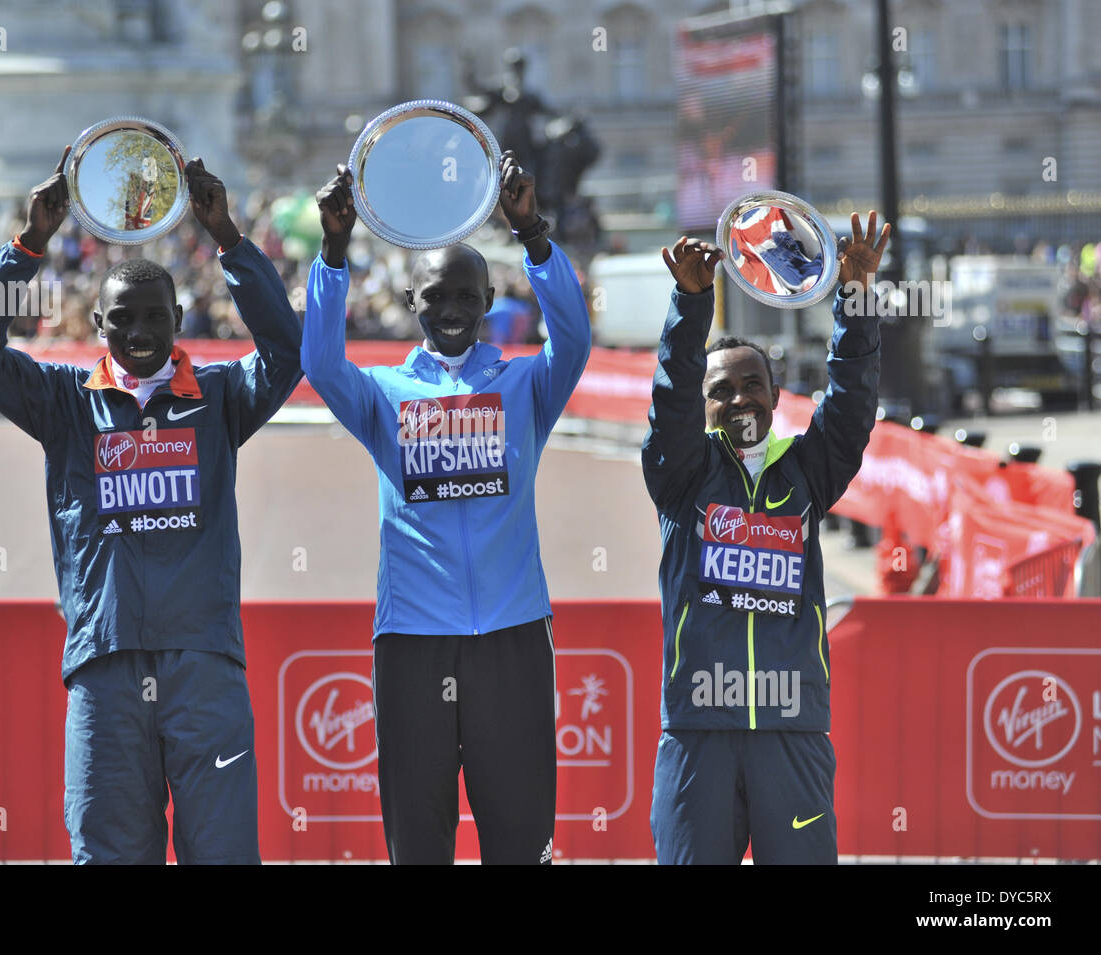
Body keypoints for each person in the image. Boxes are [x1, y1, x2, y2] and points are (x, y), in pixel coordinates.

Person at [0, 148, 303, 864]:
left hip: (203, 666)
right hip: (105, 670)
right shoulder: (64, 403)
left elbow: (287, 352)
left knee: (225, 854)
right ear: (99, 324)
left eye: (152, 317)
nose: (137, 333)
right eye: (120, 320)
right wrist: (28, 244)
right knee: (108, 854)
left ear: (177, 316)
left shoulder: (222, 398)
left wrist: (229, 236)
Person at [303, 152, 591, 864]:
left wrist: (534, 236)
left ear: (489, 300)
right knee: (418, 842)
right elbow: (319, 362)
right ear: (411, 304)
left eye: (467, 296)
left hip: (512, 638)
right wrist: (333, 253)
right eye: (436, 297)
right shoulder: (382, 395)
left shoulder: (525, 386)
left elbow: (576, 340)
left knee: (520, 839)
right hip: (413, 641)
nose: (453, 310)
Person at [642, 212, 891, 865]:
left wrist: (857, 298)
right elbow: (669, 397)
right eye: (720, 390)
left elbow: (853, 401)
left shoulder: (808, 471)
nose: (739, 397)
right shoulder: (682, 477)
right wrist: (691, 304)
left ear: (777, 393)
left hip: (793, 730)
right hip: (699, 732)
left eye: (752, 382)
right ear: (705, 407)